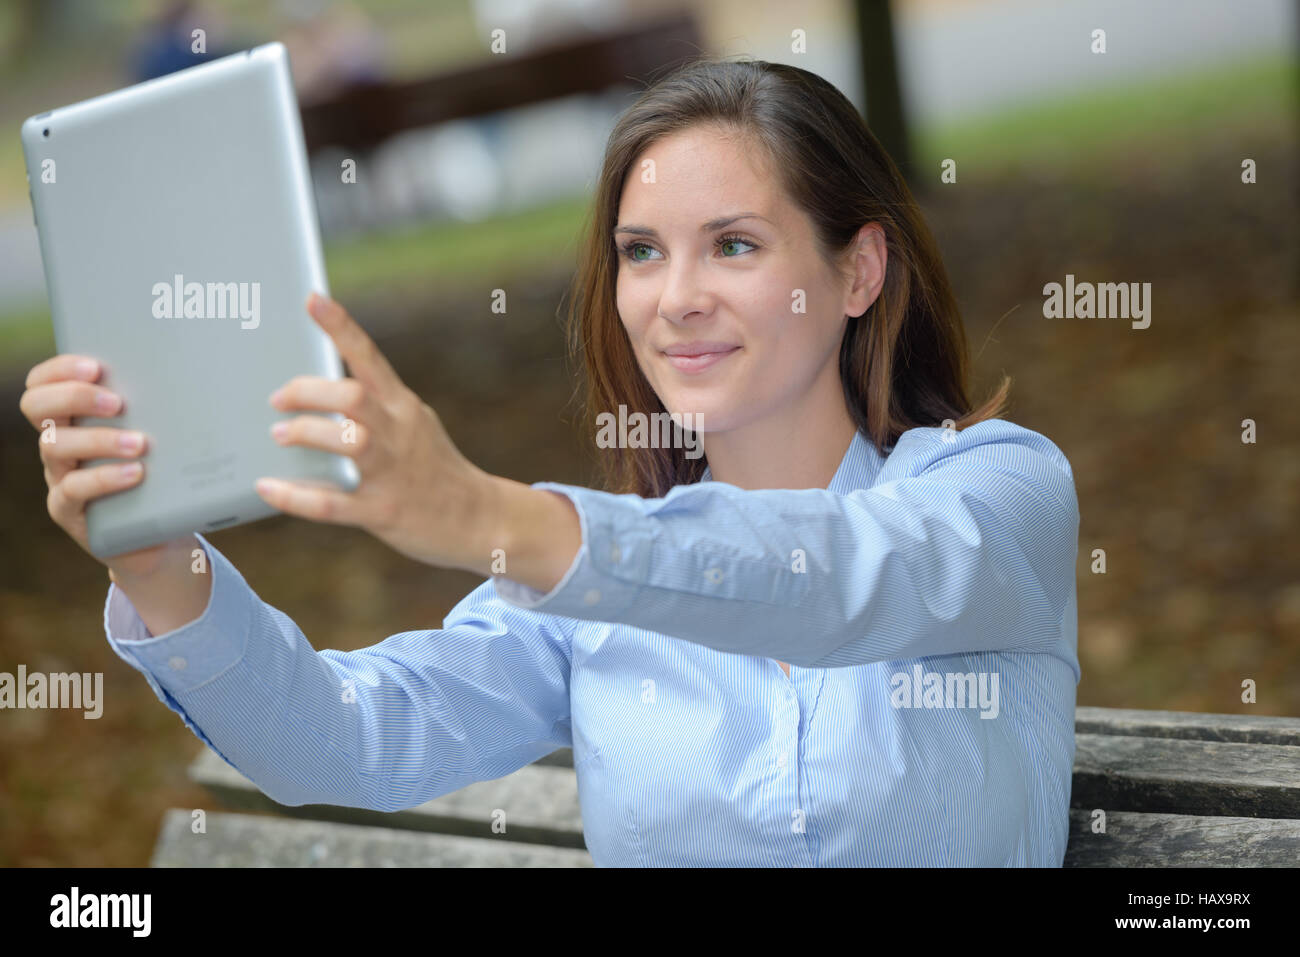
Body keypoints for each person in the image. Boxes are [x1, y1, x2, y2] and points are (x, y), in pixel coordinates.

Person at [19, 56, 1080, 866]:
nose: (677, 299)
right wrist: (156, 563)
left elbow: (844, 578)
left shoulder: (995, 496)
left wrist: (484, 514)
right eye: (641, 252)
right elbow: (346, 741)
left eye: (735, 245)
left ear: (857, 270)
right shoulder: (591, 595)